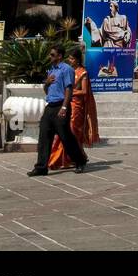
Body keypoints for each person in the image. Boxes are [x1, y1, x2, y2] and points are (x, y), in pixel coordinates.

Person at [27, 44, 88, 177]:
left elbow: (69, 89)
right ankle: (41, 167)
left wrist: (65, 107)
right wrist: (47, 82)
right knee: (44, 136)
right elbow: (46, 90)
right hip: (50, 106)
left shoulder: (66, 70)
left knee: (65, 137)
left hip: (61, 105)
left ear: (59, 56)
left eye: (52, 55)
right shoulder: (51, 70)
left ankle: (80, 161)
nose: (50, 57)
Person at [48, 44, 99, 171]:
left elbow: (84, 91)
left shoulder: (83, 72)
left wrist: (69, 92)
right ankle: (66, 159)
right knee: (64, 133)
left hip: (77, 106)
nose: (70, 61)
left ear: (77, 60)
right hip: (67, 104)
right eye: (69, 59)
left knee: (73, 132)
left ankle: (79, 157)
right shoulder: (68, 71)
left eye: (71, 59)